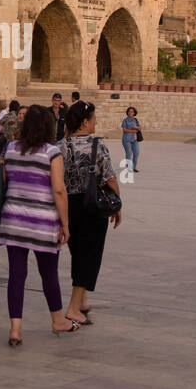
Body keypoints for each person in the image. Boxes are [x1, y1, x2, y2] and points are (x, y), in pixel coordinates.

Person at [0, 104, 77, 344]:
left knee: (16, 274)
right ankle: (58, 320)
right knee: (49, 273)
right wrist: (65, 224)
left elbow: (5, 178)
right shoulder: (52, 152)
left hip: (14, 219)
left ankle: (15, 329)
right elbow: (59, 190)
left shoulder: (10, 149)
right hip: (43, 221)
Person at [60, 101, 121, 324]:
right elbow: (110, 177)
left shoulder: (60, 147)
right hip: (92, 206)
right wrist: (117, 204)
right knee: (89, 256)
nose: (96, 122)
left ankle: (82, 301)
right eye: (93, 118)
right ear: (85, 122)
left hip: (68, 206)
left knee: (79, 253)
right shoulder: (98, 146)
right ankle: (73, 308)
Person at [120, 106, 141, 171]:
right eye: (129, 111)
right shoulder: (125, 120)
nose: (130, 113)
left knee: (136, 153)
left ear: (134, 113)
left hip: (134, 139)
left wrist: (135, 127)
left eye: (132, 111)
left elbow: (140, 128)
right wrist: (133, 130)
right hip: (127, 140)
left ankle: (134, 167)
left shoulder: (136, 120)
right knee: (129, 153)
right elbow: (124, 130)